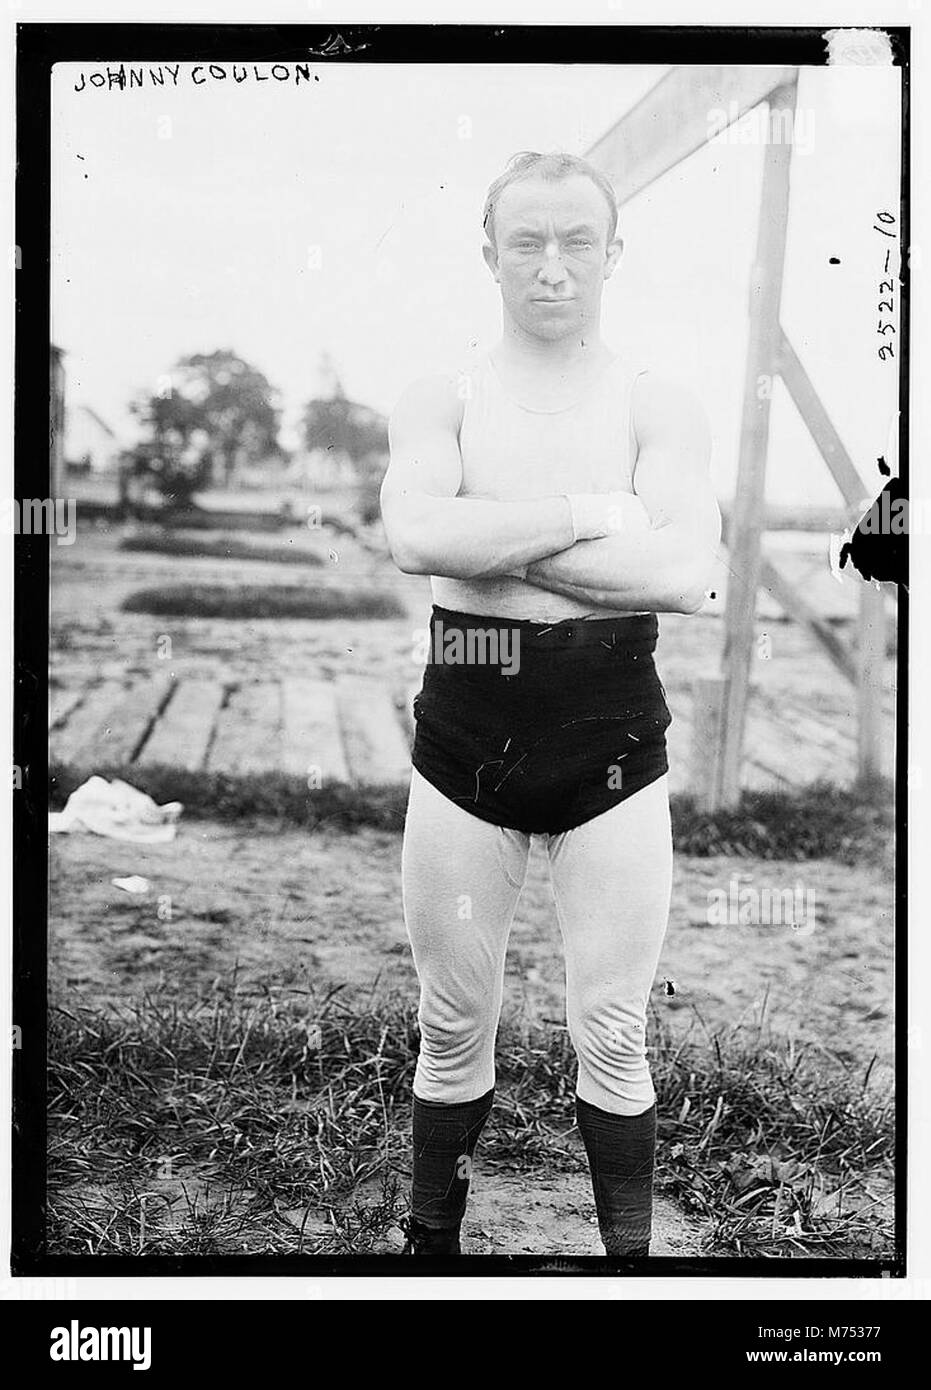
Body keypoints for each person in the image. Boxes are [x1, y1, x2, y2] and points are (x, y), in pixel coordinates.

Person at [380, 150, 721, 1257]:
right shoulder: (444, 395)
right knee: (448, 1026)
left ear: (613, 254)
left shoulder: (655, 401)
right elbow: (419, 538)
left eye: (577, 241)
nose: (553, 266)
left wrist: (504, 542)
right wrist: (594, 510)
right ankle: (430, 1250)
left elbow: (684, 574)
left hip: (612, 746)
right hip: (464, 742)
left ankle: (632, 1265)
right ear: (489, 255)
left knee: (614, 1033)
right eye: (526, 241)